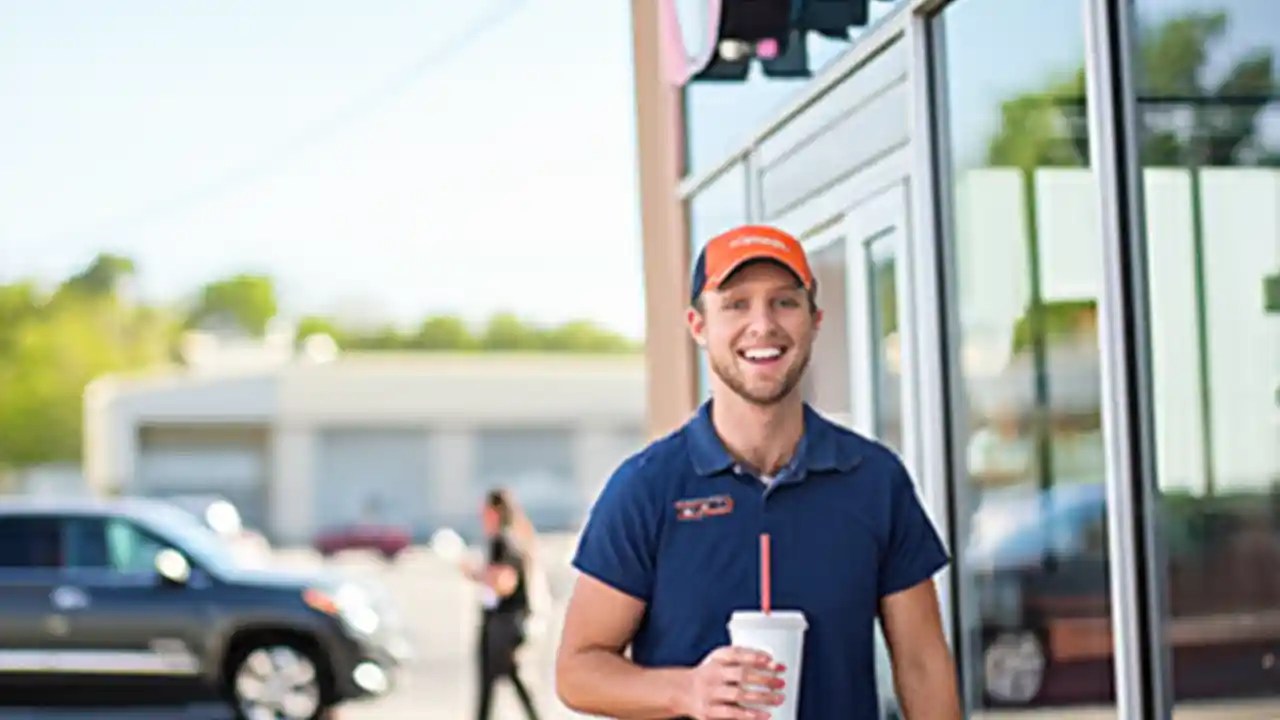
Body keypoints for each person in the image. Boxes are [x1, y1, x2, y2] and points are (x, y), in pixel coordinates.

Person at [555, 224, 962, 719]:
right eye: (736, 303)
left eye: (784, 302)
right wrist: (686, 691)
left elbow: (921, 662)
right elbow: (577, 670)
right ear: (699, 326)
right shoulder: (647, 488)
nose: (762, 324)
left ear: (815, 320)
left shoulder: (874, 480)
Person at [465, 488, 542, 720]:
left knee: (501, 680)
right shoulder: (512, 539)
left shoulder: (504, 541)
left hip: (502, 623)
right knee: (500, 682)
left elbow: (505, 582)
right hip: (504, 621)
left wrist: (477, 573)